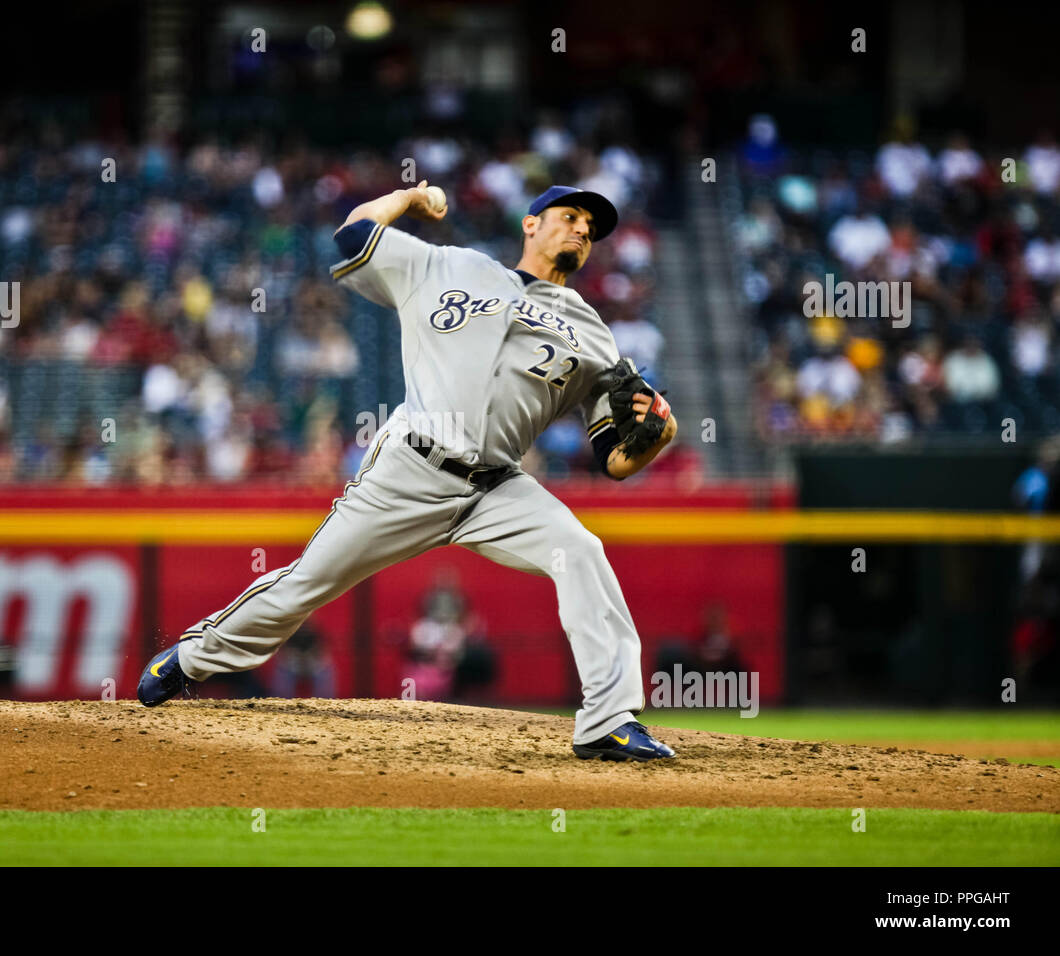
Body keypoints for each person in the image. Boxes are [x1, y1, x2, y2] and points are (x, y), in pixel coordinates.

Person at [139, 181, 679, 762]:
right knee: (307, 583)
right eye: (569, 216)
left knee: (581, 551)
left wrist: (660, 436)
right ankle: (192, 657)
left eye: (590, 229)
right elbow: (352, 237)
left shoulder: (593, 333)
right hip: (411, 467)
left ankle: (607, 720)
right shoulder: (449, 265)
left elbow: (615, 460)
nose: (580, 230)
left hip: (498, 486)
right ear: (530, 223)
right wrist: (407, 199)